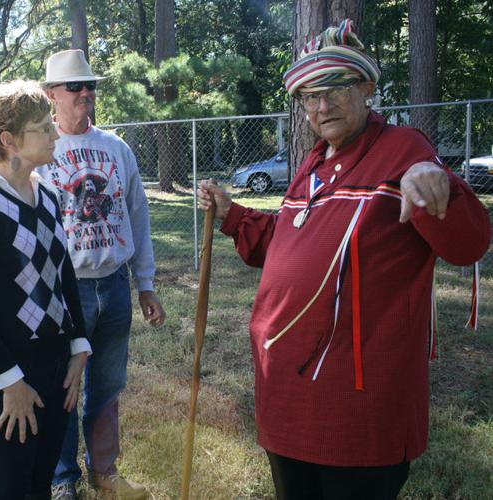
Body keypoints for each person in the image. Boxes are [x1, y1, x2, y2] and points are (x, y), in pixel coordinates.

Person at [199, 20, 491, 500]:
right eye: (309, 96)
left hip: (355, 407)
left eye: (335, 89)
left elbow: (468, 244)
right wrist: (233, 215)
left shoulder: (404, 149)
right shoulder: (314, 163)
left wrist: (436, 182)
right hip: (285, 394)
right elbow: (287, 242)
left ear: (367, 87)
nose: (321, 105)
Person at [0, 80, 90, 499]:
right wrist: (9, 380)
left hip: (55, 368)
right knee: (8, 490)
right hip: (5, 377)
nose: (54, 134)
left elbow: (63, 276)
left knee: (39, 486)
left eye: (52, 125)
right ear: (8, 139)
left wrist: (79, 345)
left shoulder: (48, 197)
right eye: (43, 128)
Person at [38, 49, 166, 500]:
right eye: (75, 86)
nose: (86, 93)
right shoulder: (39, 151)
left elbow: (138, 216)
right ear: (51, 94)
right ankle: (61, 478)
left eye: (90, 85)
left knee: (108, 384)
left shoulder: (117, 148)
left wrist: (145, 284)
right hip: (63, 288)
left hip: (113, 284)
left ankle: (104, 472)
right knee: (63, 386)